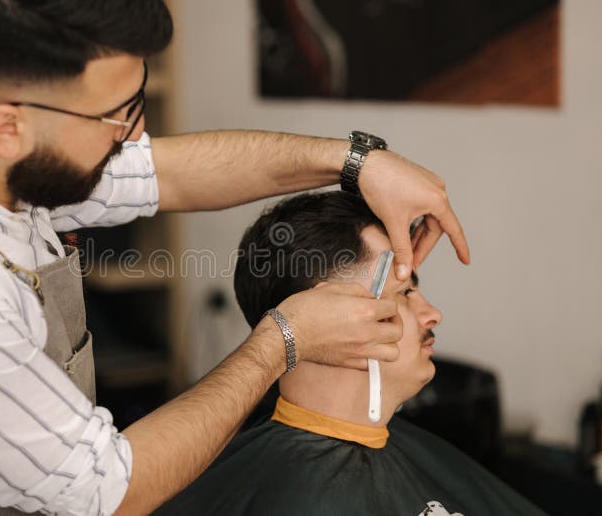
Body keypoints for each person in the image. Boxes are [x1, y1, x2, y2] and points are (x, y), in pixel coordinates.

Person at [0, 0, 470, 515]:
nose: (135, 134)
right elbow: (106, 491)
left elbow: (171, 173)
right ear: (8, 126)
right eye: (117, 115)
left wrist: (354, 161)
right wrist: (282, 340)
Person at [154, 191, 545, 516]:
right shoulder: (296, 496)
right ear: (328, 315)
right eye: (405, 293)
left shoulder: (415, 451)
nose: (432, 314)